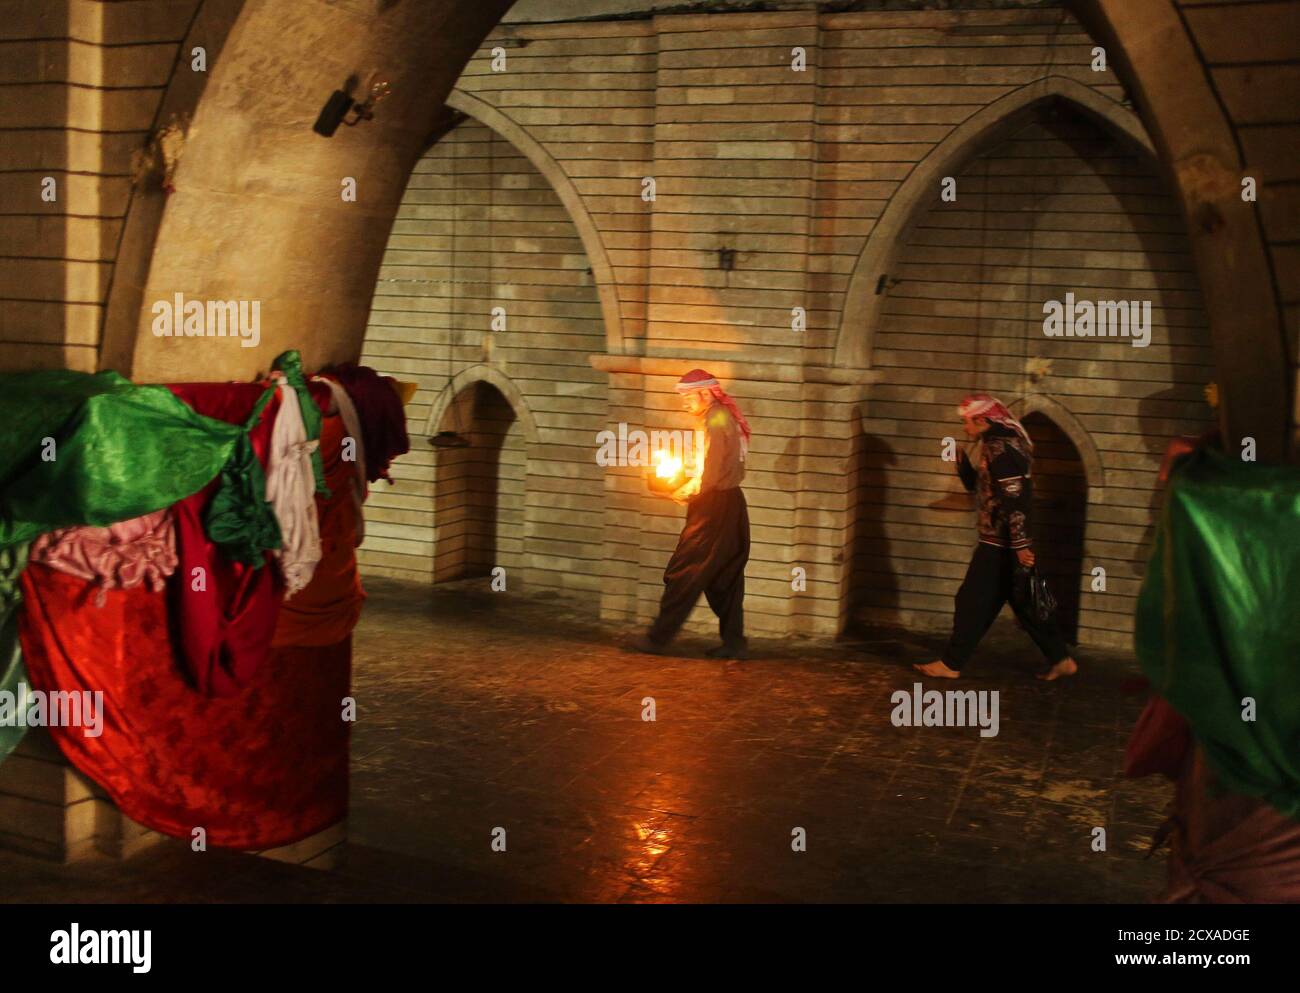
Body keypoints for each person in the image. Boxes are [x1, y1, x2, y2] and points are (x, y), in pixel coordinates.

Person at [915, 394, 1078, 681]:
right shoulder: (995, 444)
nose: (965, 428)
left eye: (967, 422)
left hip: (1000, 545)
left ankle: (951, 664)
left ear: (982, 420)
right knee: (1024, 604)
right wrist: (963, 464)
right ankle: (1060, 659)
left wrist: (1021, 546)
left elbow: (1016, 500)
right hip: (1002, 543)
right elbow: (982, 490)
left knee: (971, 601)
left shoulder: (1002, 448)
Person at [630, 369, 751, 660]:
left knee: (684, 571)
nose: (683, 402)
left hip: (714, 508)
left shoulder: (713, 418)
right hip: (732, 504)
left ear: (705, 393)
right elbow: (717, 461)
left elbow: (709, 472)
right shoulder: (722, 416)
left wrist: (680, 491)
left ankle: (658, 638)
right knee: (724, 577)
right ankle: (734, 643)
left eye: (687, 396)